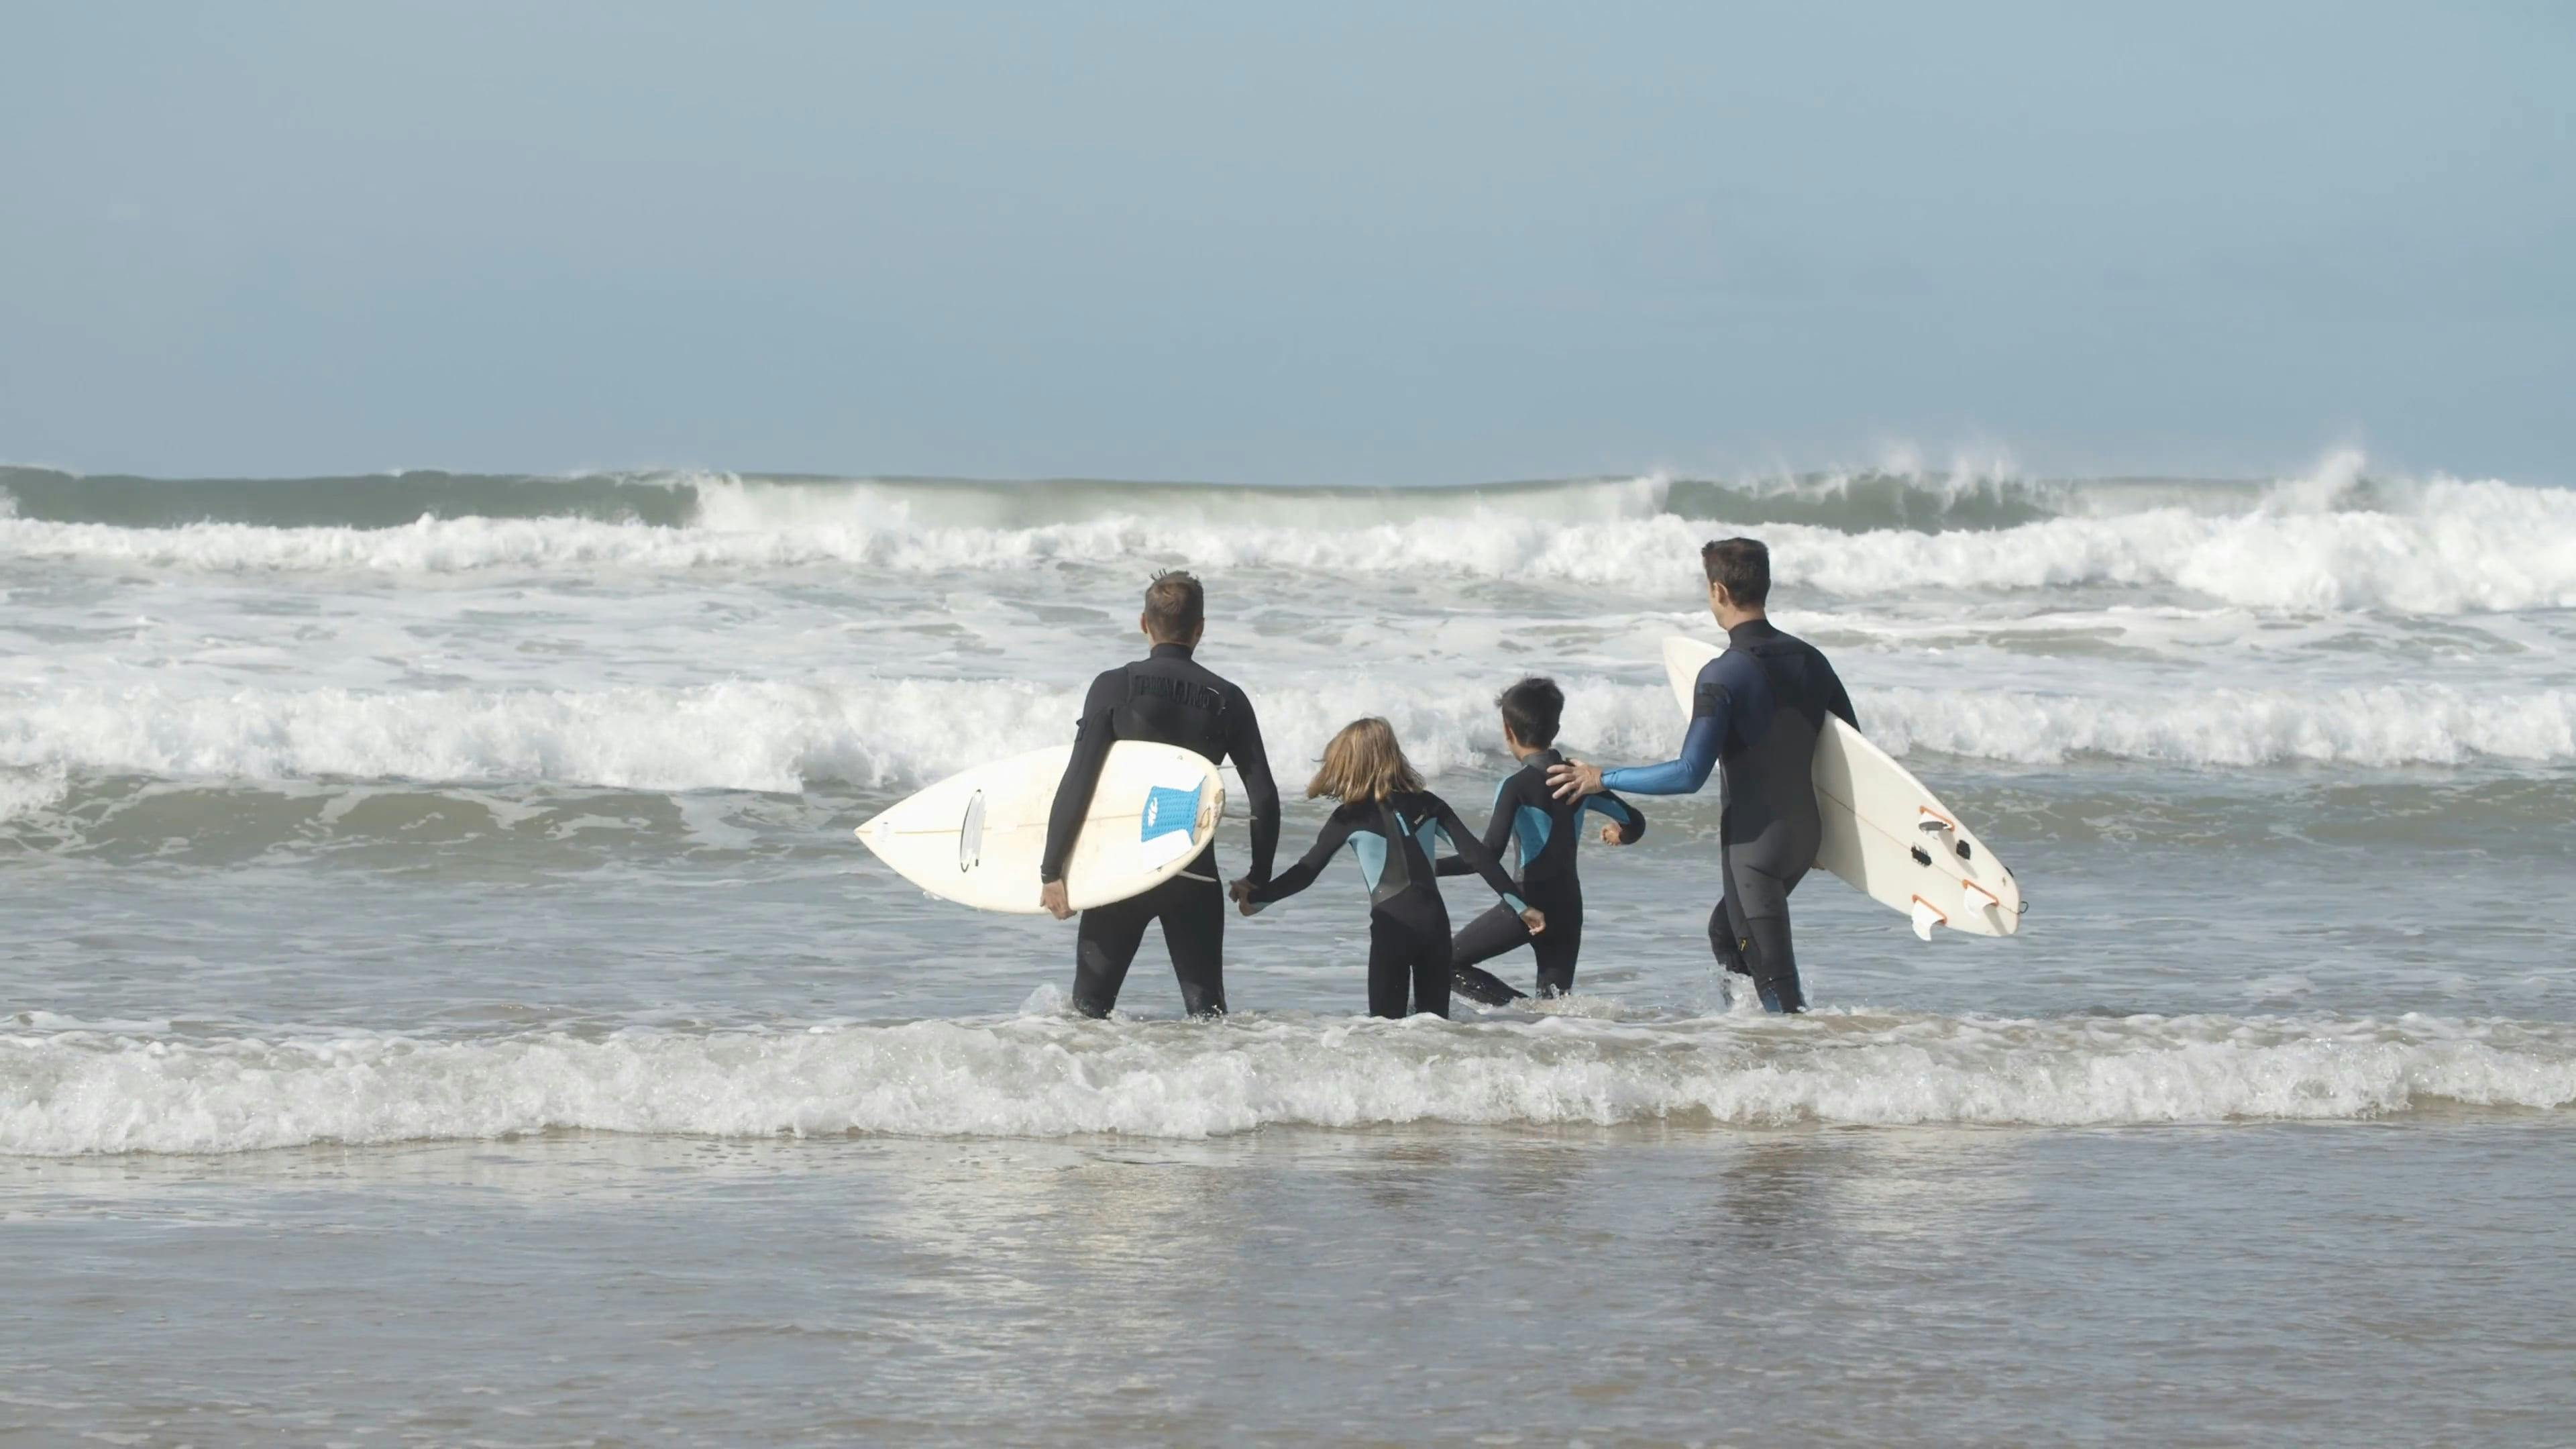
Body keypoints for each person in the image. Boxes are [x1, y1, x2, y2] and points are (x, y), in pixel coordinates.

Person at [1547, 538, 1855, 1014]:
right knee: (1725, 932)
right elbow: (1850, 750)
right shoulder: (1812, 660)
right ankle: (1740, 1040)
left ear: (1718, 591)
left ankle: (1794, 1067)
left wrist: (1602, 777)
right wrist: (1831, 840)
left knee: (1783, 1001)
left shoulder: (1722, 675)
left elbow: (1689, 773)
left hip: (1755, 849)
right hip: (1803, 836)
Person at [1040, 571, 1281, 1018]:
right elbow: (1264, 796)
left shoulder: (1115, 686)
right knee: (1208, 1015)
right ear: (1200, 629)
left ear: (1143, 624)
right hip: (1193, 874)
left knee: (1088, 1014)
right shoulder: (1228, 698)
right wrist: (1259, 877)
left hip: (1122, 872)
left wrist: (1052, 868)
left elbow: (1079, 778)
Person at [1230, 718, 1541, 1020]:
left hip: (1393, 930)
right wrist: (1520, 906)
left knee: (1384, 1031)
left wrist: (1258, 900)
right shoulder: (1430, 804)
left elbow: (1306, 872)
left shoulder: (1347, 818)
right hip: (1435, 928)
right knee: (1436, 1029)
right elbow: (1479, 856)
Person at [1438, 677, 1645, 1005]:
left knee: (1445, 965)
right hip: (1568, 906)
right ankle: (1535, 1017)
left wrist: (1425, 865)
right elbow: (1635, 822)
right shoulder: (1579, 778)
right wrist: (1621, 833)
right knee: (1554, 1009)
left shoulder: (1515, 786)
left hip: (1527, 904)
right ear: (1557, 727)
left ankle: (1524, 1013)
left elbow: (1486, 854)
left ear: (1507, 731)